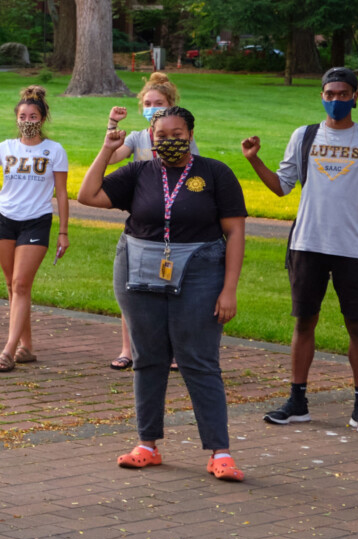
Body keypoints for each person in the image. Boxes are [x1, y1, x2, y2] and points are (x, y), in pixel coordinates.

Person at [79, 107, 248, 483]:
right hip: (139, 272)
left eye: (177, 134)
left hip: (201, 273)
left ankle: (220, 452)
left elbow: (235, 232)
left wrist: (229, 289)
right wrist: (107, 150)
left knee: (199, 360)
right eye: (161, 136)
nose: (169, 141)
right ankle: (147, 445)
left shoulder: (215, 173)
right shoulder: (139, 172)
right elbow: (87, 195)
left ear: (191, 134)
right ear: (150, 138)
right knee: (147, 358)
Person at [240, 67, 358, 433]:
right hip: (308, 243)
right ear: (321, 96)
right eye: (329, 94)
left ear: (355, 97)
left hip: (353, 246)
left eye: (343, 94)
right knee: (304, 320)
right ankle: (297, 402)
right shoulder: (304, 136)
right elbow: (282, 186)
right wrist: (254, 160)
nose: (336, 100)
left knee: (357, 324)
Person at [0, 86, 70, 373]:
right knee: (13, 286)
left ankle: (8, 350)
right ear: (16, 119)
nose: (27, 121)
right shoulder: (6, 147)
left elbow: (61, 193)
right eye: (22, 116)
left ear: (42, 118)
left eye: (33, 116)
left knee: (21, 284)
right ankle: (27, 347)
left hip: (36, 220)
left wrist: (63, 231)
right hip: (4, 218)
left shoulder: (55, 150)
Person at [97, 71, 191, 370]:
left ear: (171, 105)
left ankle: (172, 351)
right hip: (142, 221)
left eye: (158, 103)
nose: (152, 108)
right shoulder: (138, 138)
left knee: (170, 289)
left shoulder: (180, 138)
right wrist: (112, 125)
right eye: (148, 104)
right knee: (132, 288)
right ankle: (128, 350)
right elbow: (112, 158)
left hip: (171, 224)